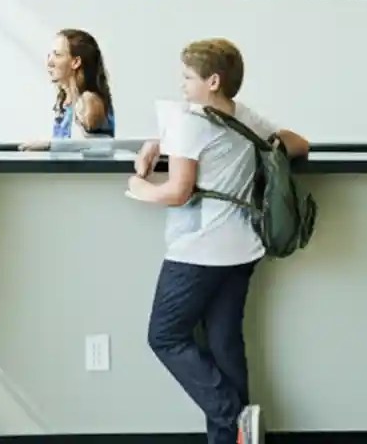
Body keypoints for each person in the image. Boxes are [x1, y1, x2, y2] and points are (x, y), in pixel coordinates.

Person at [126, 38, 309, 444]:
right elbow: (299, 143)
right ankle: (236, 437)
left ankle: (234, 416)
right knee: (224, 341)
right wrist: (160, 141)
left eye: (188, 77)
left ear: (213, 80)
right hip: (243, 248)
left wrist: (140, 186)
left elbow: (177, 191)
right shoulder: (242, 116)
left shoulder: (192, 123)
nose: (181, 84)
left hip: (199, 249)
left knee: (165, 336)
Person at [19, 28, 115, 151]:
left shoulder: (89, 101)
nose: (49, 62)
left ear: (75, 62)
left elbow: (95, 147)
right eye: (50, 55)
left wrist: (49, 145)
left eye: (57, 55)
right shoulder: (64, 103)